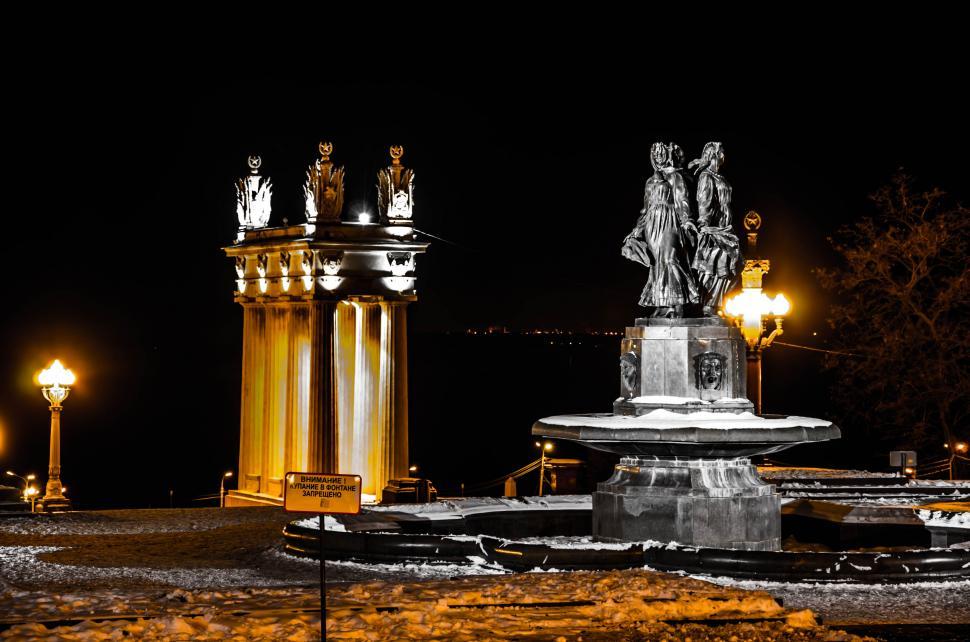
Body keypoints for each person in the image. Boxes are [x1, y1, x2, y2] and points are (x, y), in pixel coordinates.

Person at [622, 142, 700, 317]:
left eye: (661, 154)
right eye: (655, 155)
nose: (658, 158)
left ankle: (677, 303)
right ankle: (663, 303)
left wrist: (687, 220)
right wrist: (637, 229)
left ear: (667, 155)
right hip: (652, 225)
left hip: (670, 221)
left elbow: (683, 200)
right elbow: (645, 208)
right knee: (657, 264)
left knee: (671, 258)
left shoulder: (675, 176)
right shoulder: (650, 181)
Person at [688, 142, 741, 315]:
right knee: (716, 264)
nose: (724, 156)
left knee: (734, 263)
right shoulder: (706, 176)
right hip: (713, 228)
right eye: (721, 153)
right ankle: (708, 304)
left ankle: (715, 303)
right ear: (714, 155)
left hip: (725, 227)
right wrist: (704, 224)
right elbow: (704, 201)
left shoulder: (721, 177)